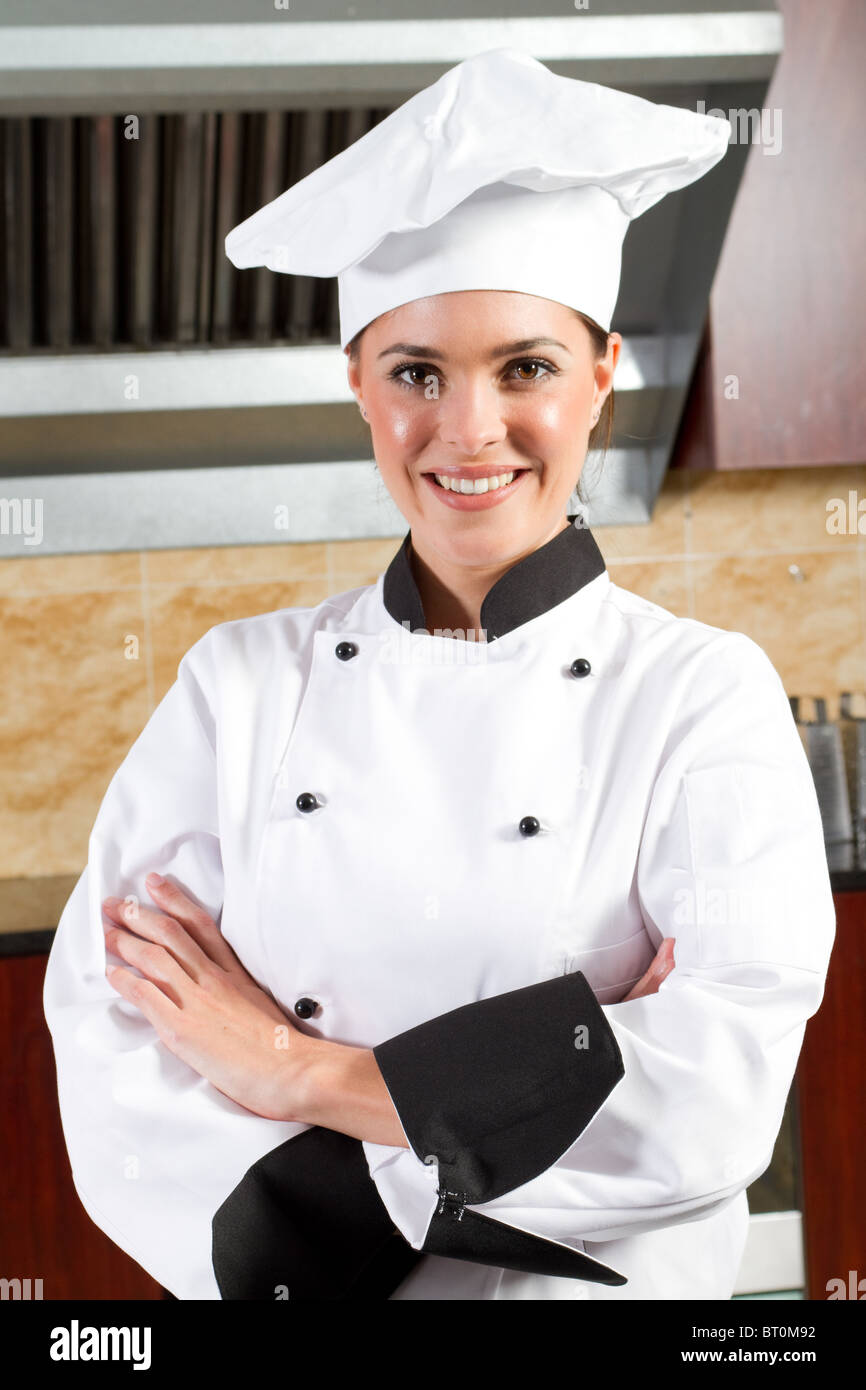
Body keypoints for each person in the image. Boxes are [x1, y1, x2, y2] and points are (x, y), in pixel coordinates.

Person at [43, 48, 836, 1301]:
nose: (467, 430)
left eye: (524, 366)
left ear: (599, 376)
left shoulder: (700, 695)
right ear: (359, 384)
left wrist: (295, 1071)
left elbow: (709, 1097)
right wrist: (527, 1072)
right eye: (417, 371)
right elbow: (113, 1042)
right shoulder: (236, 685)